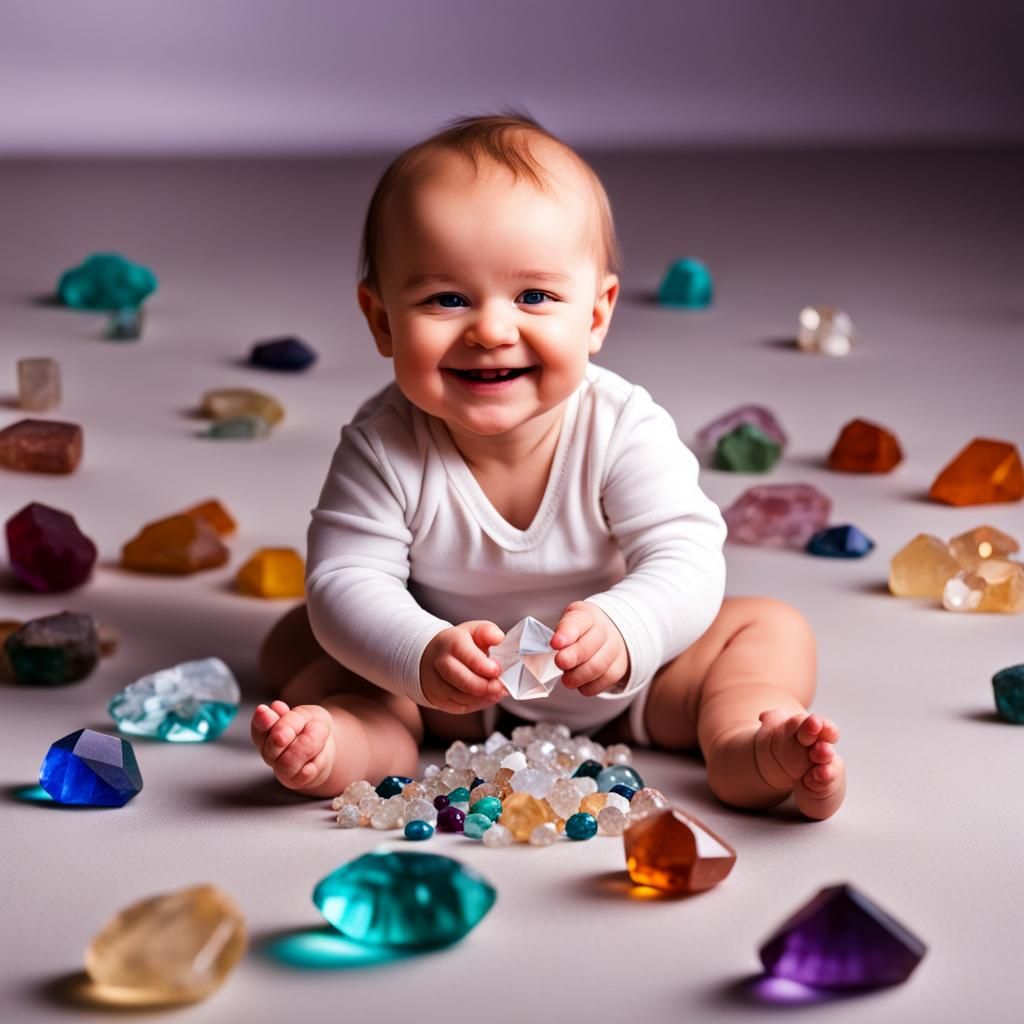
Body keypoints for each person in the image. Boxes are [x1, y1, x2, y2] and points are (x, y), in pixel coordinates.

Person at [250, 111, 846, 820]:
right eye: (446, 298)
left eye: (534, 296)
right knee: (311, 641)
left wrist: (627, 628)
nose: (493, 330)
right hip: (457, 699)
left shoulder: (622, 426)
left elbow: (686, 554)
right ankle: (342, 745)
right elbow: (346, 577)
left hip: (635, 685)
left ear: (596, 315)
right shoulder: (384, 445)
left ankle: (752, 741)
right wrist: (421, 650)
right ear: (381, 321)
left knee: (771, 630)